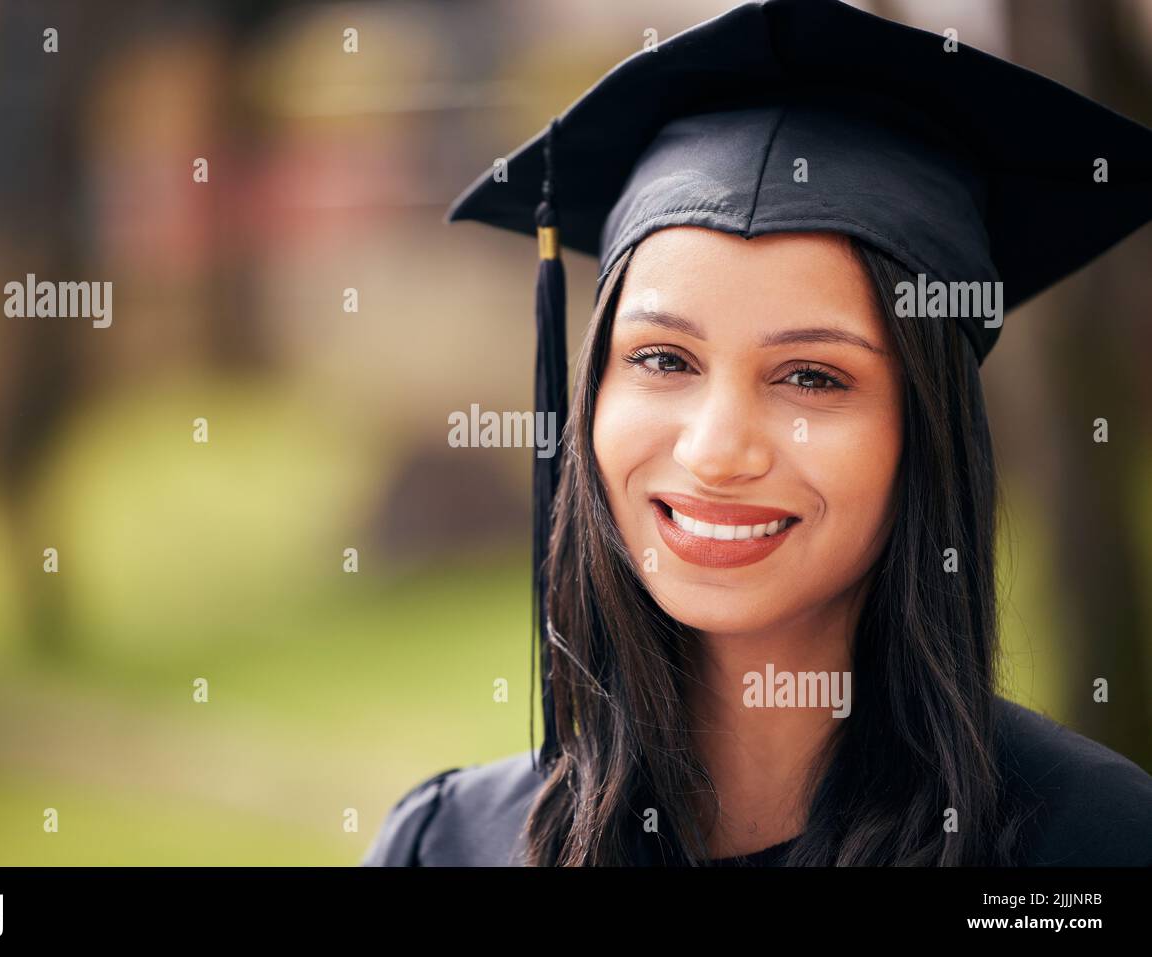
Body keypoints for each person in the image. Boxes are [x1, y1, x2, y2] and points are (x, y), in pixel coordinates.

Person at [363, 0, 1152, 866]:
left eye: (811, 377)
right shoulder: (446, 845)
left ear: (927, 431)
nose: (715, 450)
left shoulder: (1091, 847)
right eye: (664, 359)